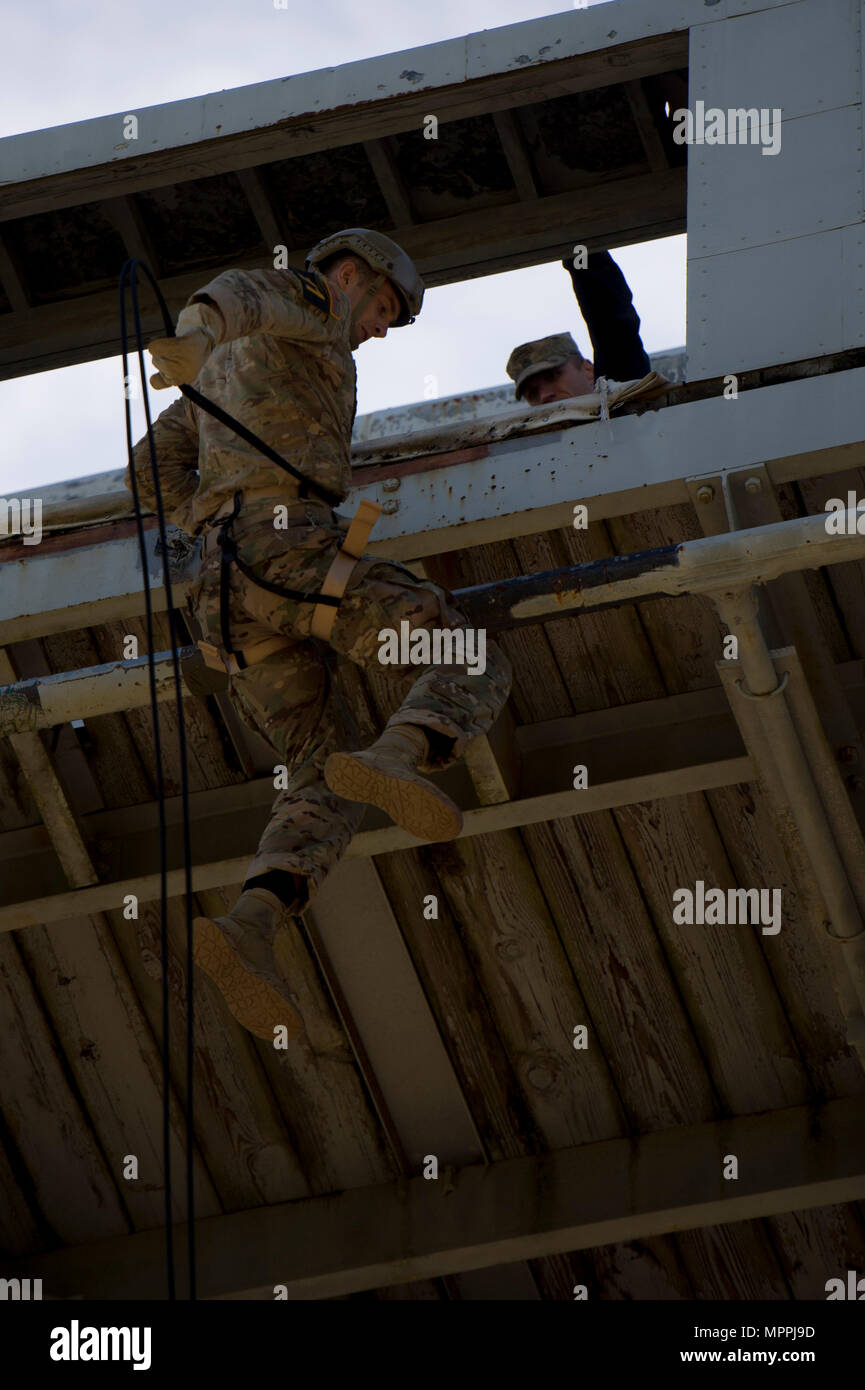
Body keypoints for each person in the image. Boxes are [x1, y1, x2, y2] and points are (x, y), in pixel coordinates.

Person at [125, 228, 512, 1041]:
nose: (376, 327)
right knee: (465, 653)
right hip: (288, 552)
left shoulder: (222, 379)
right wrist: (195, 333)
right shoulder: (312, 305)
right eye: (381, 307)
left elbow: (147, 471)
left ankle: (252, 924)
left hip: (218, 599)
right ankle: (397, 757)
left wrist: (206, 511)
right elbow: (243, 290)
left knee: (314, 770)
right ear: (348, 275)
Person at [505, 249, 651, 407]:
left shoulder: (623, 406)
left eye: (551, 377)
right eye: (532, 393)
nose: (544, 396)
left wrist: (577, 247)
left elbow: (610, 319)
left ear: (588, 370)